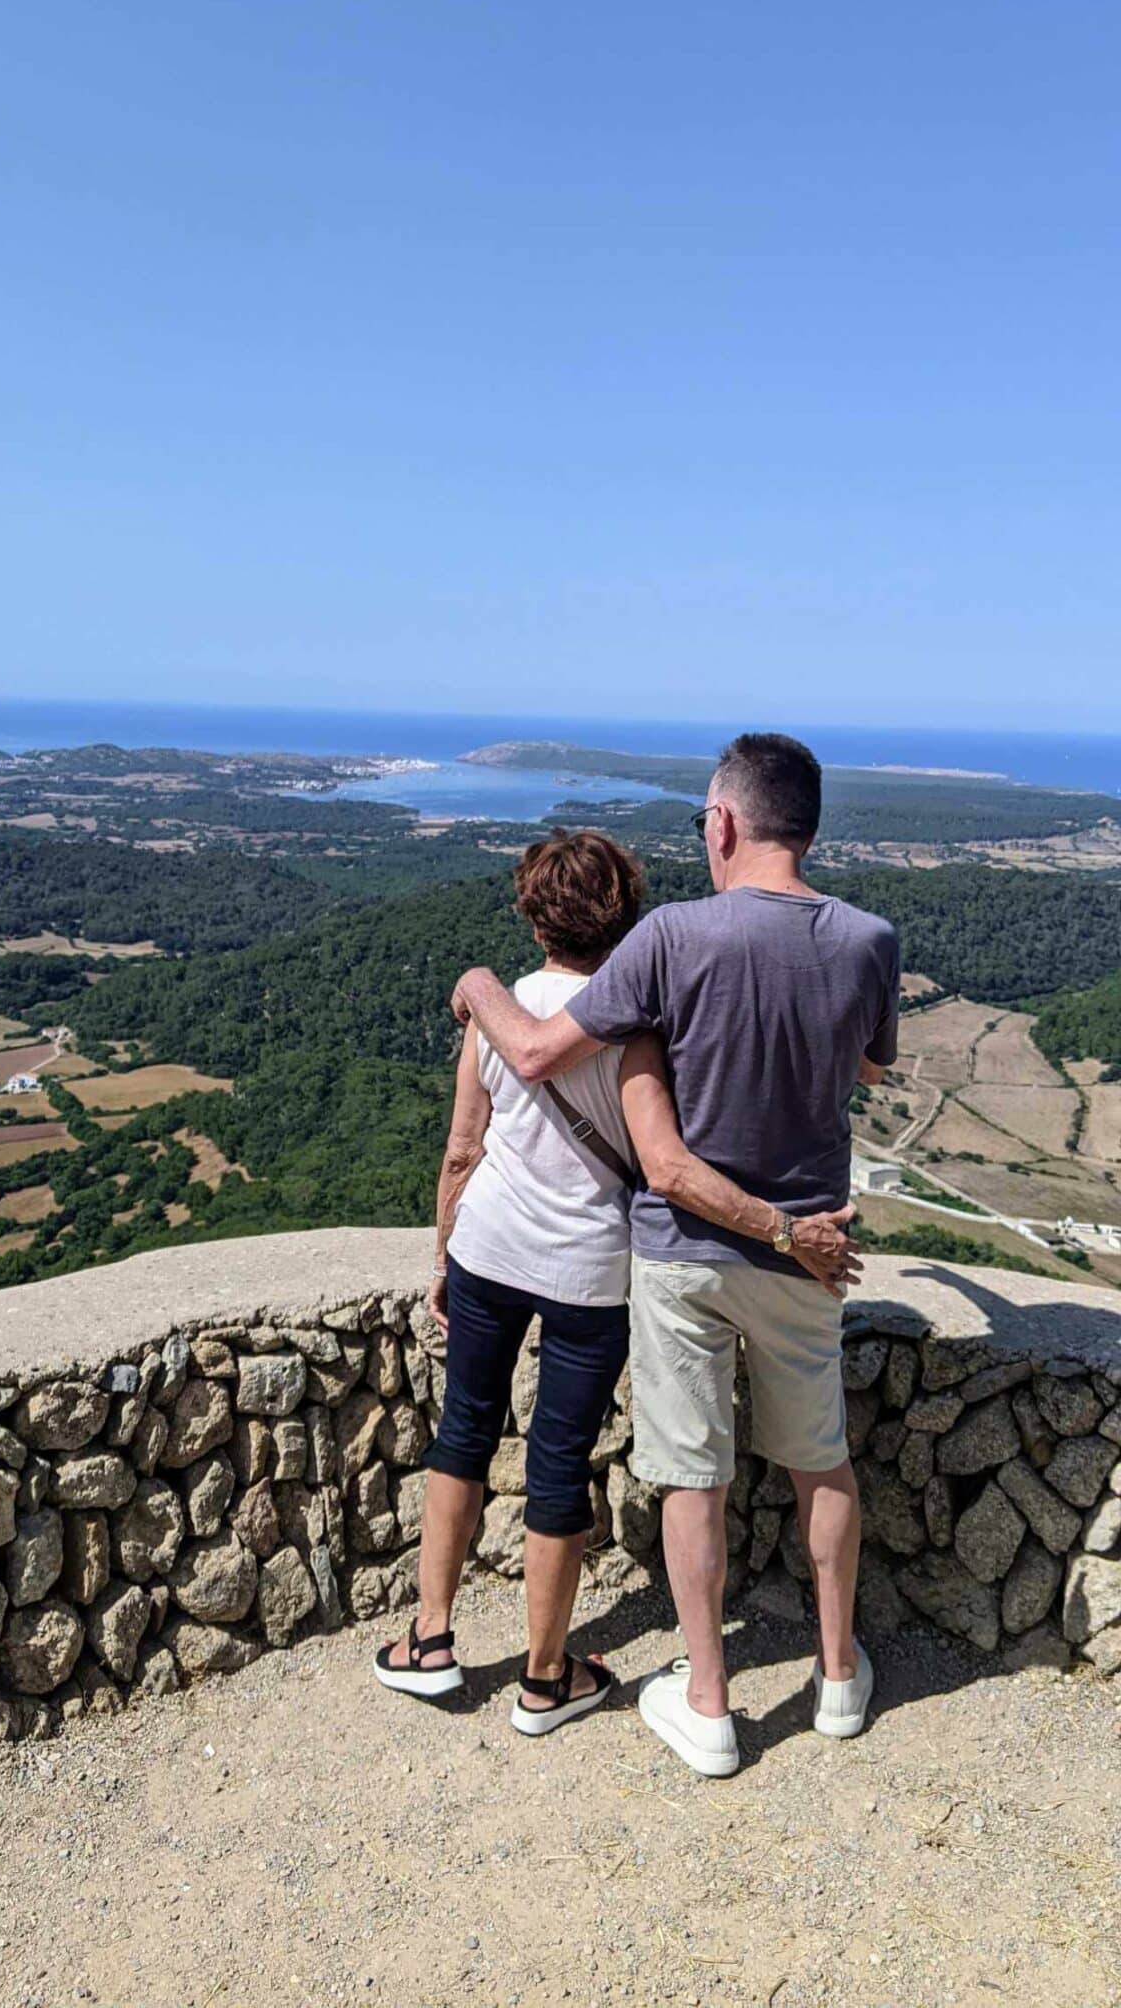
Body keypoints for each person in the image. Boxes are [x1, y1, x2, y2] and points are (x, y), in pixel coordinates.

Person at [449, 734, 900, 1776]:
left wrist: (478, 978)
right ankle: (838, 1677)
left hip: (684, 1250)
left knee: (693, 1477)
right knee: (817, 1458)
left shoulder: (668, 938)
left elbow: (532, 1052)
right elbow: (873, 1065)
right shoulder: (870, 938)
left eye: (705, 818)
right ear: (810, 827)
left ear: (728, 822)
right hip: (809, 1252)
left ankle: (708, 1702)